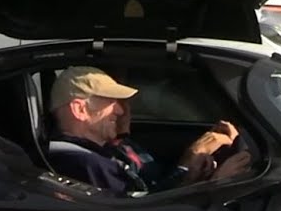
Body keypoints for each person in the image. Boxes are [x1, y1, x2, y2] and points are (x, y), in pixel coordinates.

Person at [45, 66, 252, 194]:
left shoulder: (100, 152)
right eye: (110, 102)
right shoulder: (85, 163)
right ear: (80, 109)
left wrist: (191, 174)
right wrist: (216, 184)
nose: (119, 110)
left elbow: (149, 195)